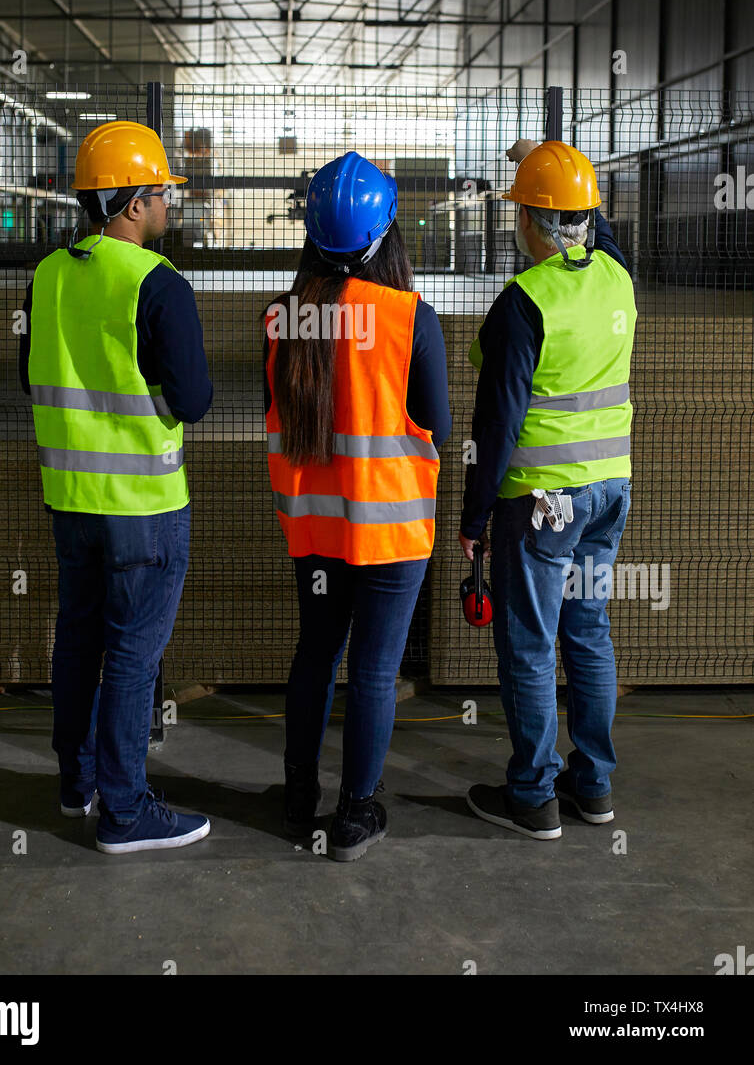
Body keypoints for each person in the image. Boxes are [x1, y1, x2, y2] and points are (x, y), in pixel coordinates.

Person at [19, 120, 213, 854]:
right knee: (132, 655)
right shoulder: (157, 283)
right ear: (131, 202)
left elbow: (33, 378)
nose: (168, 202)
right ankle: (126, 813)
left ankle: (78, 784)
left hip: (70, 500)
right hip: (143, 508)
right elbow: (191, 401)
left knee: (76, 639)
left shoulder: (46, 275)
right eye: (161, 190)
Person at [263, 152, 452, 861]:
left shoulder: (281, 320)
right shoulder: (410, 320)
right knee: (374, 671)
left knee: (316, 652)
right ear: (387, 237)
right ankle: (353, 814)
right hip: (392, 534)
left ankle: (296, 794)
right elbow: (437, 425)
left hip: (315, 528)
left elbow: (278, 416)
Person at [459, 136, 636, 841]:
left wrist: (474, 516)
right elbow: (597, 226)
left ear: (528, 220)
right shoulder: (618, 276)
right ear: (588, 216)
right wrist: (559, 171)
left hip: (540, 505)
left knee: (531, 645)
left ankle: (533, 796)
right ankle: (592, 786)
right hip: (607, 494)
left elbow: (494, 427)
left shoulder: (523, 302)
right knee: (587, 631)